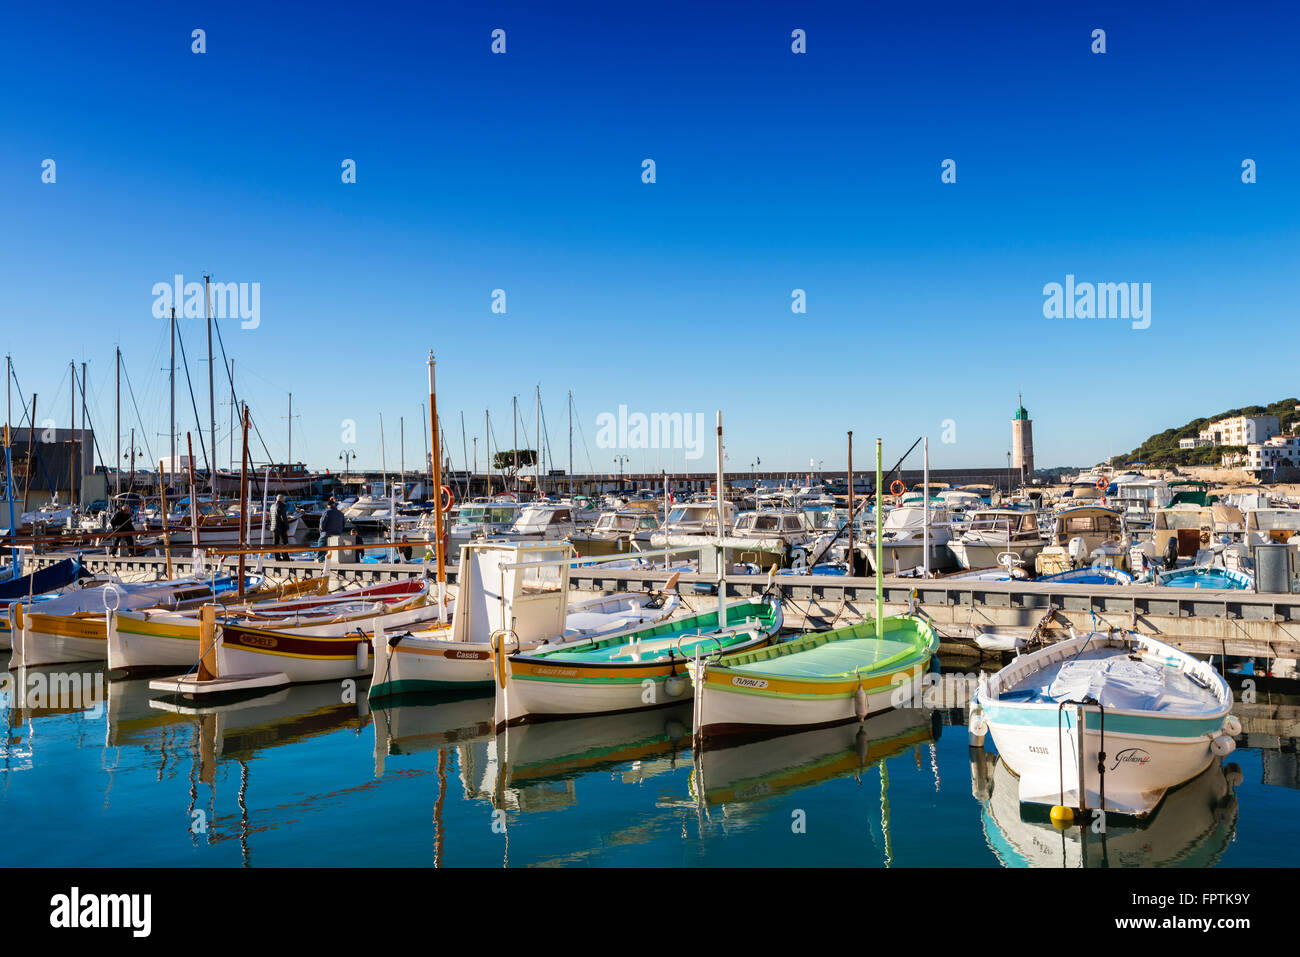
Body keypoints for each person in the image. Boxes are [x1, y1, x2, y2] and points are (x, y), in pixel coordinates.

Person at [271, 494, 290, 561]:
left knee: (276, 543)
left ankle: (277, 557)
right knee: (284, 542)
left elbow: (271, 517)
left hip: (274, 527)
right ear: (282, 499)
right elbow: (283, 518)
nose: (284, 500)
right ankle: (285, 557)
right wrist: (287, 527)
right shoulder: (281, 506)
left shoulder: (272, 506)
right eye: (284, 498)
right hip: (281, 527)